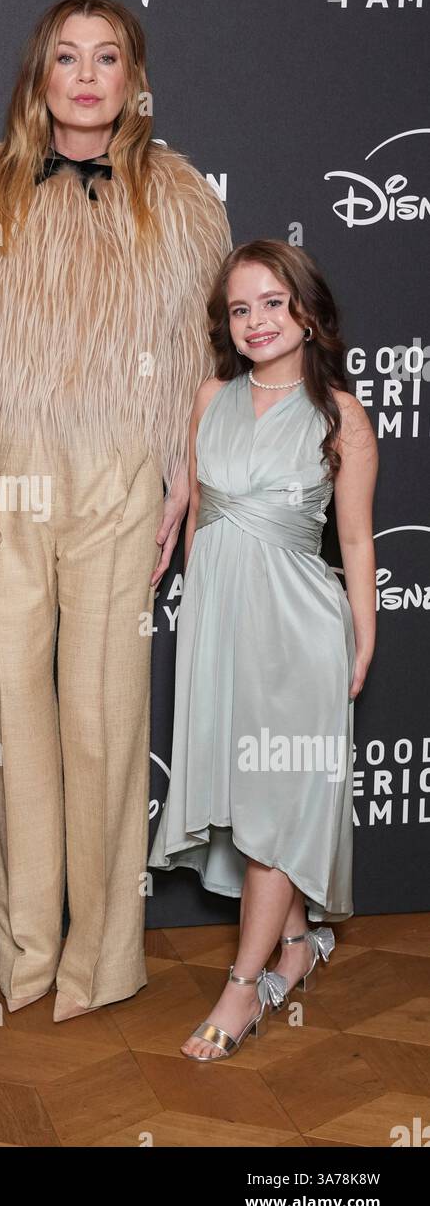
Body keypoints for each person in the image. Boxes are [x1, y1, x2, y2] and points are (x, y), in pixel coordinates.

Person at [0, 0, 232, 1021]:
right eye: (65, 56)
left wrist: (187, 471)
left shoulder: (186, 200)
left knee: (106, 718)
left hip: (120, 475)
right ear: (39, 74)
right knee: (10, 719)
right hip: (4, 474)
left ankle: (102, 962)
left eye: (105, 57)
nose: (84, 74)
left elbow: (208, 357)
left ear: (131, 77)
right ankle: (24, 959)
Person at [148, 239, 377, 1060]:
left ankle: (242, 990)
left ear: (308, 311)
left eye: (274, 302)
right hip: (221, 631)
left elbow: (354, 539)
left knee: (277, 803)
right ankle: (298, 943)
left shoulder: (341, 415)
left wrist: (363, 639)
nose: (256, 321)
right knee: (252, 801)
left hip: (299, 634)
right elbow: (196, 514)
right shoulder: (210, 395)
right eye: (240, 308)